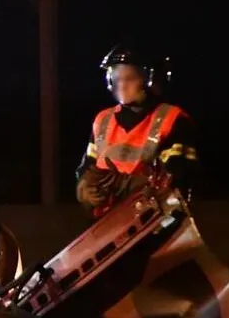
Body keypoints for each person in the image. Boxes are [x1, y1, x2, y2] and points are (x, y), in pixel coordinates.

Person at [76, 44, 198, 216]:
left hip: (152, 225)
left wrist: (125, 185)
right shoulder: (102, 120)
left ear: (152, 79)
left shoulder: (173, 120)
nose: (122, 85)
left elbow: (177, 182)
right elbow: (87, 167)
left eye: (130, 78)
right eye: (117, 77)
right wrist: (84, 190)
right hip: (106, 225)